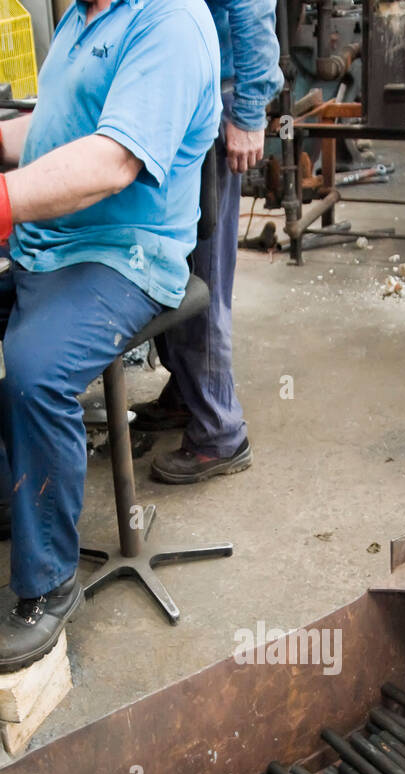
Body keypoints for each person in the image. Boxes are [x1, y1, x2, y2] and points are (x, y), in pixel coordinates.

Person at [0, 0, 221, 672]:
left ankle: (48, 586)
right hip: (48, 241)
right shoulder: (85, 17)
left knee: (32, 371)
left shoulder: (168, 22)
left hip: (124, 253)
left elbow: (109, 162)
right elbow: (59, 129)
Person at [131, 0, 282, 484]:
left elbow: (252, 6)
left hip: (211, 98)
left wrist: (250, 111)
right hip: (176, 91)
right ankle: (188, 394)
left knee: (203, 275)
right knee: (174, 259)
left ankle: (220, 431)